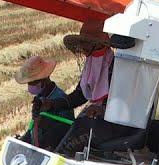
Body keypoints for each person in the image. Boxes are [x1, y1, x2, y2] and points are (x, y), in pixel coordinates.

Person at [43, 20, 136, 156]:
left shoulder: (116, 66)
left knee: (71, 141)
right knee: (56, 133)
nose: (82, 47)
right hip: (97, 122)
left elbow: (125, 101)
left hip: (116, 127)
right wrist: (52, 104)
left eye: (85, 42)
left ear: (98, 44)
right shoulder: (91, 63)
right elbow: (79, 96)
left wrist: (102, 109)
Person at [15, 55, 73, 151]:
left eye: (33, 82)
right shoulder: (39, 98)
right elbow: (33, 128)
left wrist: (45, 124)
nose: (30, 86)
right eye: (29, 83)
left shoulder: (60, 100)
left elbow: (65, 132)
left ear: (45, 79)